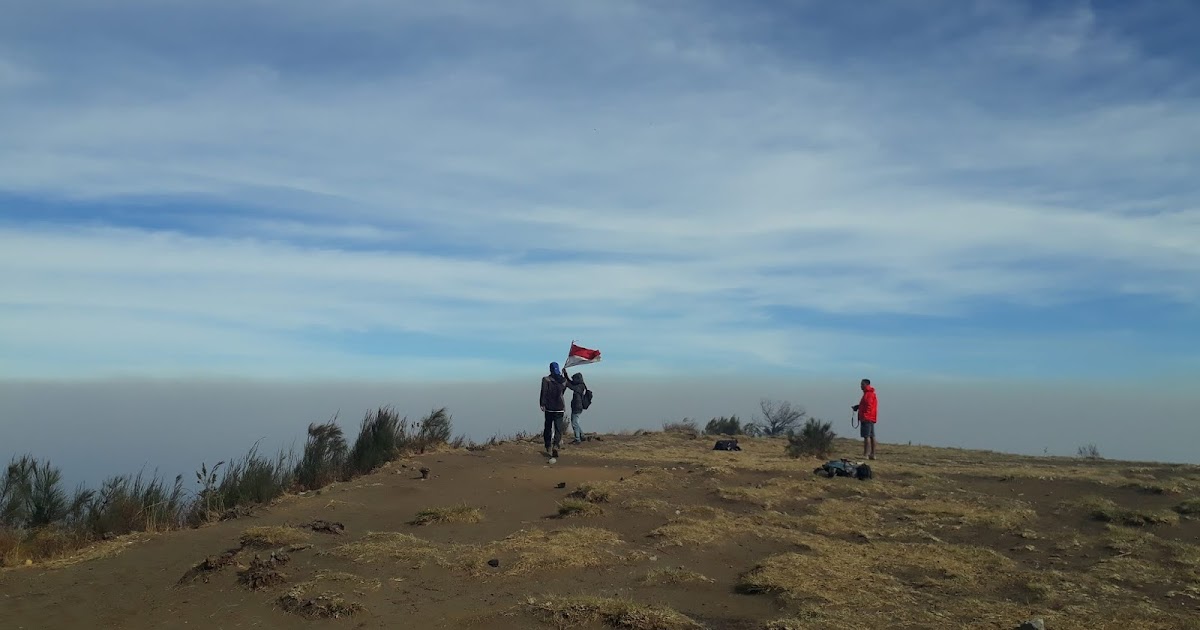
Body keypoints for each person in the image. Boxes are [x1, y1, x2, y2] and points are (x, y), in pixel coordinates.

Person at [539, 362, 568, 458]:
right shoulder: (563, 380)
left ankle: (548, 446)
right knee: (558, 428)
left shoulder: (546, 379)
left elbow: (544, 392)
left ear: (550, 369)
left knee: (548, 427)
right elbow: (562, 392)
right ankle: (556, 444)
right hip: (560, 407)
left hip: (549, 408)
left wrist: (542, 404)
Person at [851, 378, 878, 460]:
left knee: (866, 436)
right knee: (872, 436)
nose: (861, 386)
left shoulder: (868, 394)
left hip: (867, 418)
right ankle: (872, 454)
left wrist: (864, 416)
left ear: (866, 384)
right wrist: (858, 407)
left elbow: (868, 406)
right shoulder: (869, 393)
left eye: (862, 384)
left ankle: (866, 454)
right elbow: (865, 405)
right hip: (871, 417)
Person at [562, 368, 588, 444]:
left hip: (577, 407)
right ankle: (582, 436)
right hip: (577, 406)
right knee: (575, 422)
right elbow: (570, 382)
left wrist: (565, 382)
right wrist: (565, 374)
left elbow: (571, 386)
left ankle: (577, 439)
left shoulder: (580, 386)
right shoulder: (580, 385)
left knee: (574, 423)